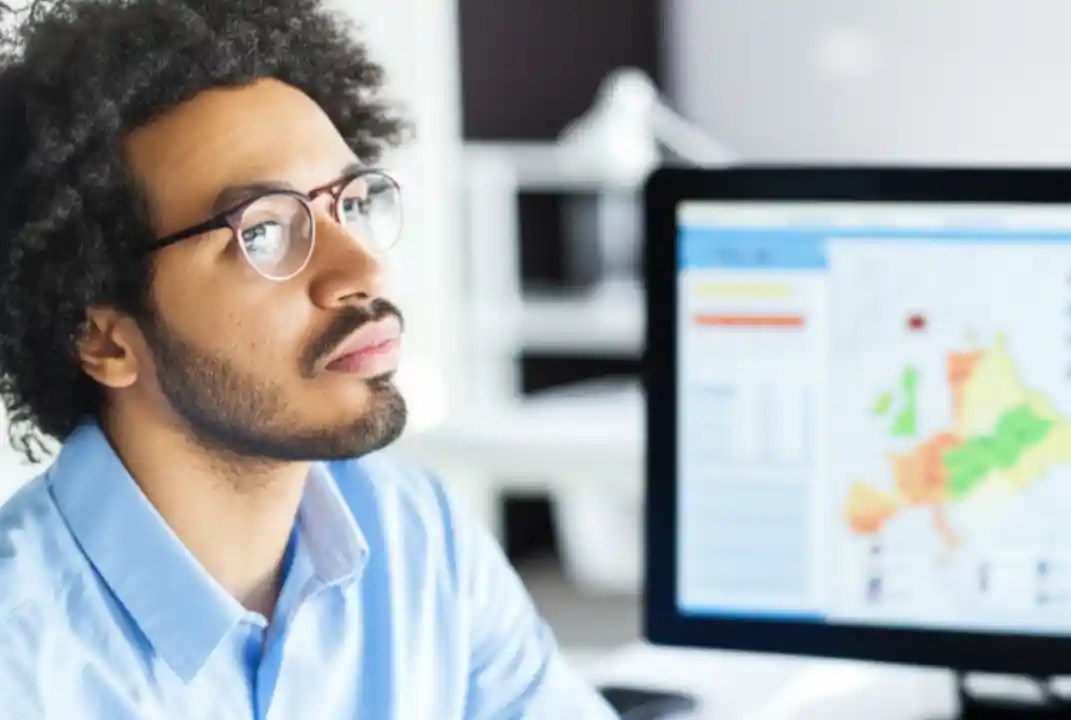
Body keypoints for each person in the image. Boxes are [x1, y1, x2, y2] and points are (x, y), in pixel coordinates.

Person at [0, 1, 619, 717]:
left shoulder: (419, 537)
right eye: (263, 233)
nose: (363, 271)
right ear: (105, 339)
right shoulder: (21, 661)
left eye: (350, 207)